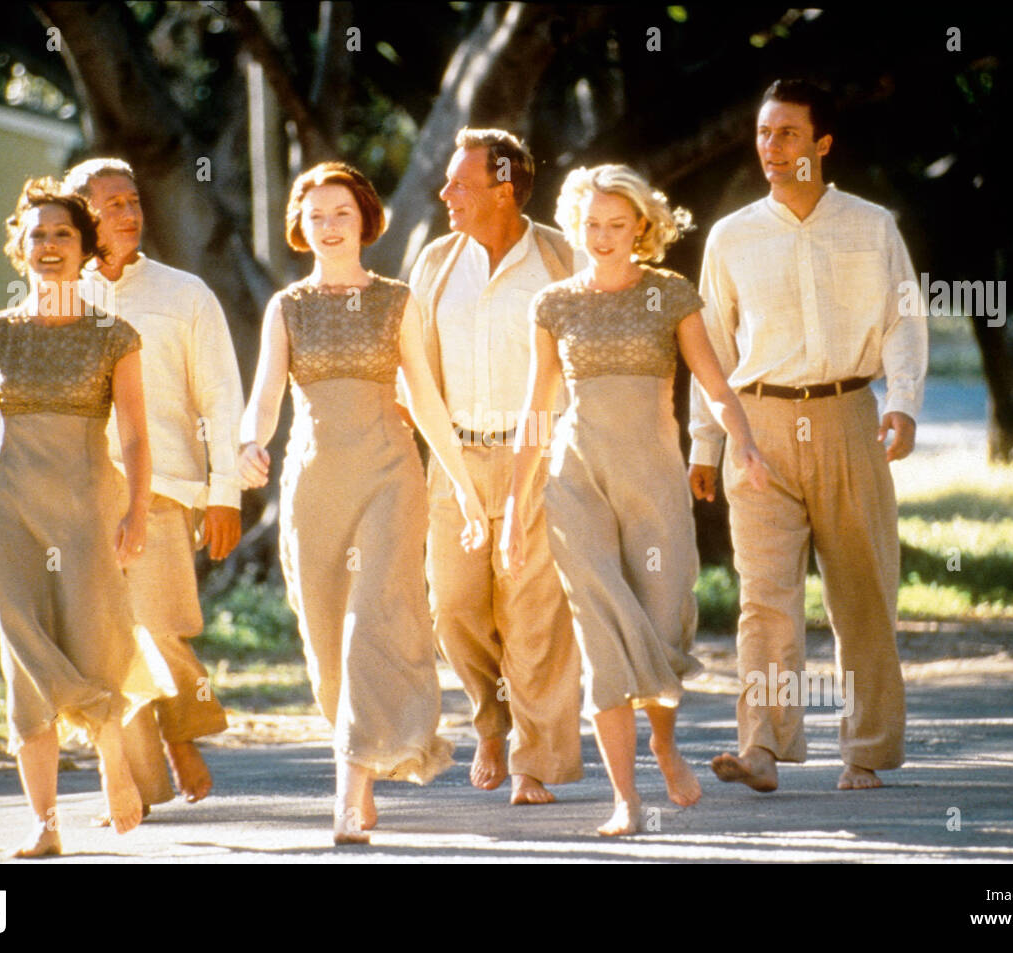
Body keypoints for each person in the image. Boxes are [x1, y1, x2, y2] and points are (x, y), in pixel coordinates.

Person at [502, 164, 768, 836]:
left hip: (653, 484)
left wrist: (746, 443)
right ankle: (626, 799)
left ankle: (664, 743)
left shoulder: (670, 294)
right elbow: (537, 407)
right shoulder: (555, 303)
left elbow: (713, 381)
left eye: (617, 225)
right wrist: (512, 506)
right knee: (603, 638)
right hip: (576, 482)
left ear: (642, 228)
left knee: (661, 621)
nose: (602, 237)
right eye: (591, 224)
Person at [238, 161, 488, 844]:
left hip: (388, 479)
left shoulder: (396, 301)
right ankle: (363, 757)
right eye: (315, 215)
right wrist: (246, 444)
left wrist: (465, 490)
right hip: (315, 486)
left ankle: (348, 793)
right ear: (300, 225)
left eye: (340, 213)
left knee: (372, 624)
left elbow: (427, 402)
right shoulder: (286, 307)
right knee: (327, 641)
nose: (328, 226)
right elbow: (263, 397)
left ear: (364, 219)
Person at [688, 79, 928, 793]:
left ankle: (868, 750)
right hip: (756, 428)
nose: (772, 147)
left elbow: (904, 321)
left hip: (848, 415)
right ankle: (761, 745)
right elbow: (713, 350)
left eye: (787, 133)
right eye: (763, 134)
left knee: (862, 593)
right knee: (765, 598)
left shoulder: (872, 225)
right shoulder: (730, 236)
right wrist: (706, 445)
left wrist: (904, 402)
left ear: (822, 143)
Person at [0, 178, 168, 857]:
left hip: (91, 512)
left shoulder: (115, 336)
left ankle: (110, 733)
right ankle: (47, 821)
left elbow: (140, 437)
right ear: (19, 249)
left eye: (62, 234)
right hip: (11, 517)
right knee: (23, 659)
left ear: (86, 249)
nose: (49, 246)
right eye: (37, 235)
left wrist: (138, 511)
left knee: (96, 642)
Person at [409, 128, 583, 805]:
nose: (445, 193)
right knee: (453, 605)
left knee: (534, 610)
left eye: (460, 183)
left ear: (503, 188)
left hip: (537, 451)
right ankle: (491, 716)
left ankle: (533, 759)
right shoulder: (434, 262)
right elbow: (415, 369)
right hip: (454, 456)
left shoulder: (560, 259)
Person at [63, 158, 243, 812]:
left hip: (166, 488)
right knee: (109, 642)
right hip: (82, 499)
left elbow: (222, 396)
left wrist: (225, 491)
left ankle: (182, 728)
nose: (130, 214)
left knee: (159, 625)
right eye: (112, 204)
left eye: (133, 200)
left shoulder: (185, 293)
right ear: (82, 216)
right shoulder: (60, 299)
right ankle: (142, 779)